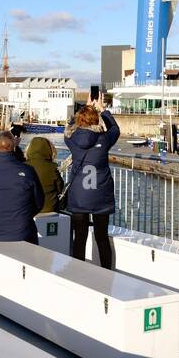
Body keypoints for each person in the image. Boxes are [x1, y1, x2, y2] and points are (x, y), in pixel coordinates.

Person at [64, 99, 119, 269]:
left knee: (79, 237)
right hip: (100, 195)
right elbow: (115, 129)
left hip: (79, 196)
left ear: (80, 120)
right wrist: (103, 111)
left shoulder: (72, 140)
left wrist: (80, 111)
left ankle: (78, 273)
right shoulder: (104, 139)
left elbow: (67, 130)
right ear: (95, 120)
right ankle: (107, 273)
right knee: (101, 237)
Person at [0, 132, 44, 242]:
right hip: (21, 231)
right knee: (31, 230)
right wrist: (22, 217)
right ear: (14, 148)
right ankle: (34, 257)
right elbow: (39, 202)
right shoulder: (28, 171)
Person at [24, 136, 65, 213]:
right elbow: (60, 187)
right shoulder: (52, 167)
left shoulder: (23, 166)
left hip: (29, 208)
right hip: (49, 207)